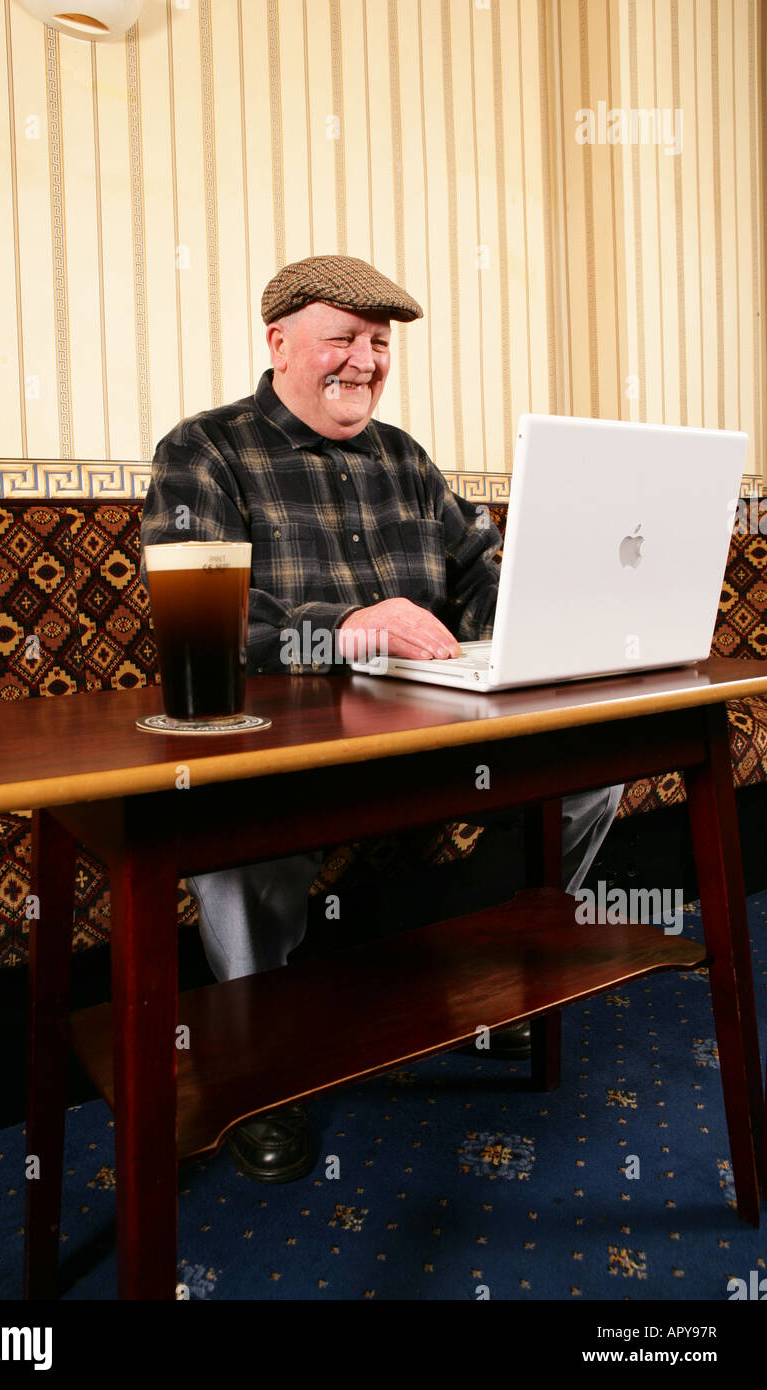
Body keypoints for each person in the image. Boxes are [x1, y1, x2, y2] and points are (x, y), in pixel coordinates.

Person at [140, 254, 624, 1184]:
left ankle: (485, 973)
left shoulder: (406, 459)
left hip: (434, 730)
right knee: (235, 827)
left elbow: (486, 583)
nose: (362, 361)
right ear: (278, 343)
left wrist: (552, 606)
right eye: (341, 338)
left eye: (378, 342)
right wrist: (346, 629)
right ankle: (254, 1067)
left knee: (597, 765)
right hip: (284, 738)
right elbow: (208, 623)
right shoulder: (203, 450)